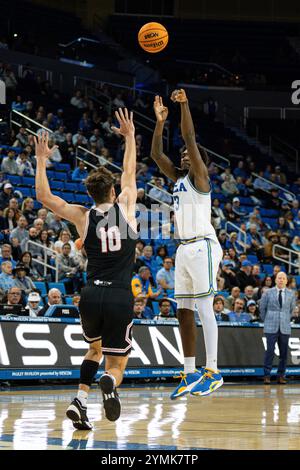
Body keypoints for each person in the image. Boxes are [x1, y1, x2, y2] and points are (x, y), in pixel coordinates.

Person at [35, 109, 138, 428]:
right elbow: (129, 173)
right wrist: (130, 137)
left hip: (90, 295)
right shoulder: (126, 207)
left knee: (93, 348)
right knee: (118, 361)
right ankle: (110, 381)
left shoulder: (82, 216)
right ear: (113, 192)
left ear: (90, 194)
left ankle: (80, 400)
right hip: (120, 294)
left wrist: (41, 159)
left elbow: (44, 196)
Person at [151, 90, 223, 399]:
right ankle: (190, 371)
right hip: (184, 248)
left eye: (188, 154)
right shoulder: (178, 179)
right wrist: (158, 123)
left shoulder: (201, 177)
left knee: (205, 305)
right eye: (181, 153)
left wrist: (183, 105)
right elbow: (156, 155)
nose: (183, 154)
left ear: (199, 162)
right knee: (183, 310)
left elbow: (190, 137)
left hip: (203, 245)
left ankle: (213, 371)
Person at [260, 271, 296, 385]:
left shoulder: (291, 294)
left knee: (284, 353)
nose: (281, 280)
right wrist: (267, 320)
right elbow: (262, 308)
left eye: (283, 278)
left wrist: (284, 318)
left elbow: (290, 310)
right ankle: (266, 375)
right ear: (275, 280)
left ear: (286, 281)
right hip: (270, 326)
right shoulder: (267, 292)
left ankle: (281, 376)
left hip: (285, 327)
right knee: (270, 351)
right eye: (279, 278)